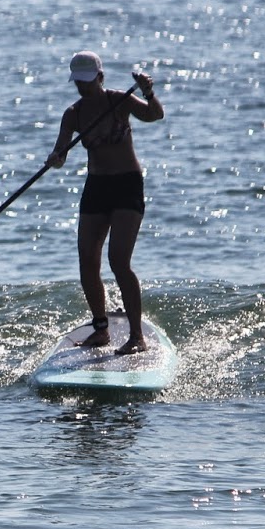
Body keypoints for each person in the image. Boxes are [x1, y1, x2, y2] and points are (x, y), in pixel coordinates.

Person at [45, 51, 164, 354]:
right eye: (78, 83)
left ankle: (137, 336)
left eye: (88, 81)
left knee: (118, 261)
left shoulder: (119, 100)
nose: (83, 87)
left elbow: (154, 115)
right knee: (87, 261)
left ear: (100, 77)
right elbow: (60, 153)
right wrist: (56, 159)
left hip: (127, 184)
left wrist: (149, 92)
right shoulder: (74, 114)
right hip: (96, 186)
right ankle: (101, 329)